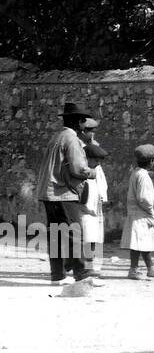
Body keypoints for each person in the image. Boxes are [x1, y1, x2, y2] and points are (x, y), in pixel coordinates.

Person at [33, 102, 96, 285]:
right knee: (74, 233)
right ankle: (81, 274)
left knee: (55, 235)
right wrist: (91, 173)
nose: (85, 125)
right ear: (78, 122)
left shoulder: (56, 137)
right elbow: (78, 169)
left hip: (48, 192)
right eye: (83, 121)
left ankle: (58, 275)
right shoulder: (72, 139)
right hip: (63, 193)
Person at [122, 145, 154, 280]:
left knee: (144, 241)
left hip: (138, 213)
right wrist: (151, 211)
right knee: (137, 243)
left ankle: (150, 267)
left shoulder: (136, 172)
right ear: (151, 161)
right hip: (142, 214)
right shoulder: (143, 176)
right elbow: (143, 198)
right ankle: (133, 269)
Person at [81, 141, 110, 276]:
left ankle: (91, 265)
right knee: (86, 238)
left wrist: (103, 200)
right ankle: (84, 266)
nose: (98, 163)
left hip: (95, 210)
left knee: (94, 238)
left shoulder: (97, 169)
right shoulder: (80, 169)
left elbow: (102, 186)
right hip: (84, 211)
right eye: (95, 160)